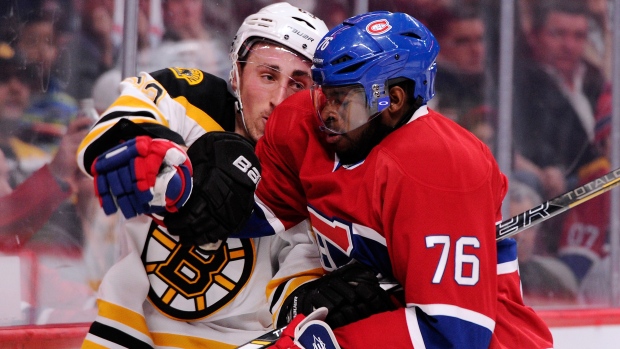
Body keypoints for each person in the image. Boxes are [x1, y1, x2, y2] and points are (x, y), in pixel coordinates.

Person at [232, 11, 553, 348]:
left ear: (394, 100)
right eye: (324, 93)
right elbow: (252, 210)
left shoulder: (441, 167)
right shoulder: (307, 125)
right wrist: (192, 189)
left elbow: (455, 334)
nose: (326, 110)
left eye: (343, 98)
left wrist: (332, 344)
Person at [76, 3, 328, 347]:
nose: (278, 100)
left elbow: (300, 273)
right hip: (128, 331)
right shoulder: (187, 97)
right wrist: (149, 154)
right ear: (237, 73)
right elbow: (127, 117)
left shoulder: (315, 162)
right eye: (267, 76)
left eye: (298, 85)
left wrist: (316, 302)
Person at [512, 0, 605, 201]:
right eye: (558, 34)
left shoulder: (593, 80)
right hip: (563, 185)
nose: (569, 45)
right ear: (534, 37)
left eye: (579, 36)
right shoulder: (522, 82)